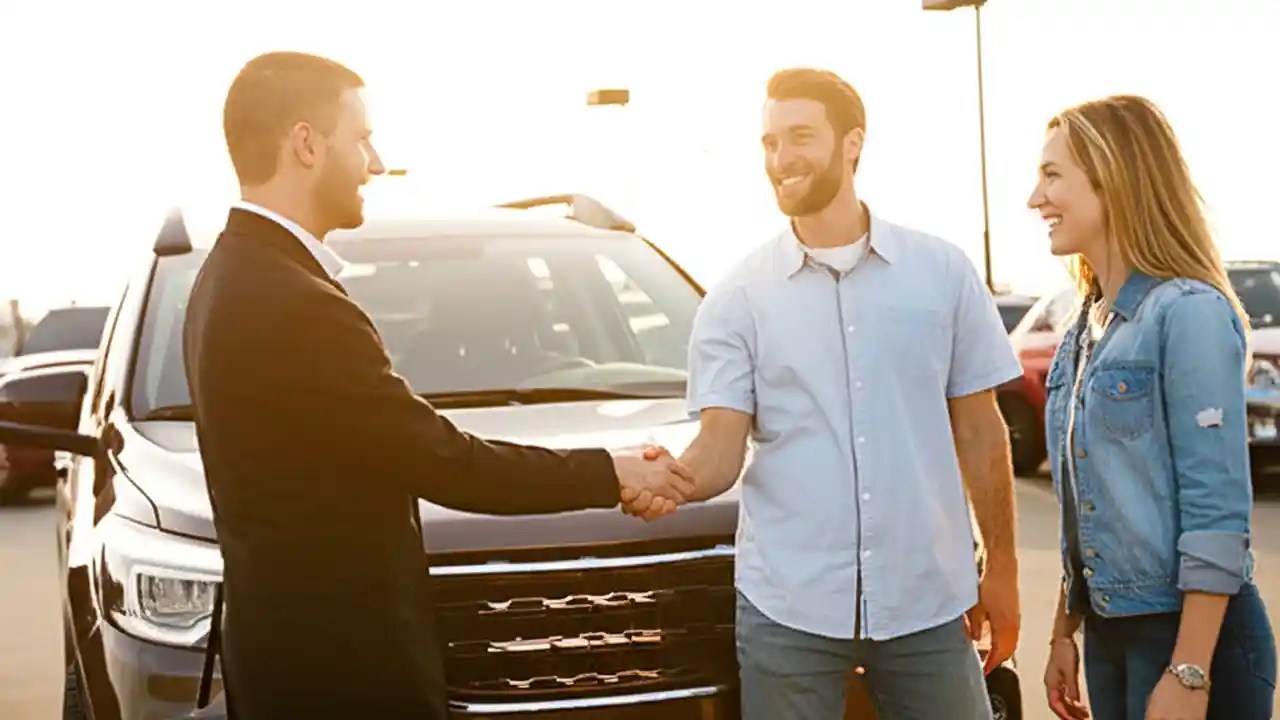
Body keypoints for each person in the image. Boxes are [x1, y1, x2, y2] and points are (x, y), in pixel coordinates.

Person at [182, 51, 693, 720]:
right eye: (361, 137)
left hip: (286, 660)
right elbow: (444, 461)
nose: (375, 161)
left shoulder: (226, 275)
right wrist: (613, 471)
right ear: (306, 143)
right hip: (340, 676)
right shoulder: (290, 300)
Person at [640, 67, 1023, 719]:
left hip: (927, 599)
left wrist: (1005, 570)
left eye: (799, 137)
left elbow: (981, 433)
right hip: (788, 608)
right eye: (768, 142)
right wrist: (667, 480)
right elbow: (720, 448)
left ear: (852, 143)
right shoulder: (736, 298)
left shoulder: (942, 272)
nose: (780, 159)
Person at [1030, 94, 1277, 720]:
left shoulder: (1186, 312)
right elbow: (1086, 504)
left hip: (1192, 640)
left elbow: (1217, 506)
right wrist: (1066, 627)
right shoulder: (1084, 328)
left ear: (1113, 177)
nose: (1036, 199)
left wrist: (1189, 672)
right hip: (1111, 632)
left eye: (1053, 175)